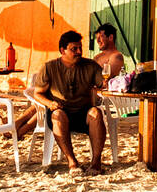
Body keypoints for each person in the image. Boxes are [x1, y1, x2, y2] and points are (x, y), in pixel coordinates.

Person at [34, 30, 107, 174]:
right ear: (63, 50)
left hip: (83, 113)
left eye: (80, 48)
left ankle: (96, 162)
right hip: (60, 111)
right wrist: (50, 104)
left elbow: (103, 84)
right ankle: (72, 162)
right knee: (58, 115)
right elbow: (37, 93)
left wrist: (106, 83)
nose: (79, 51)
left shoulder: (90, 66)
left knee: (96, 113)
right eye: (74, 49)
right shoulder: (49, 67)